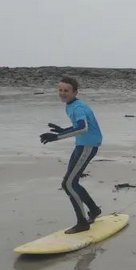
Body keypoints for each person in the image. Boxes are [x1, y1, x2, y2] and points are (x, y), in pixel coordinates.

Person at [39, 76, 103, 233]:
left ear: (75, 92)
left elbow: (83, 127)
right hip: (81, 144)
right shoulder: (71, 105)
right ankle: (94, 210)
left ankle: (82, 223)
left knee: (68, 184)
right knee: (71, 182)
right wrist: (63, 130)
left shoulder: (78, 107)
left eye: (66, 90)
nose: (62, 93)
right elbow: (78, 126)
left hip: (87, 145)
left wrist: (57, 137)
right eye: (60, 90)